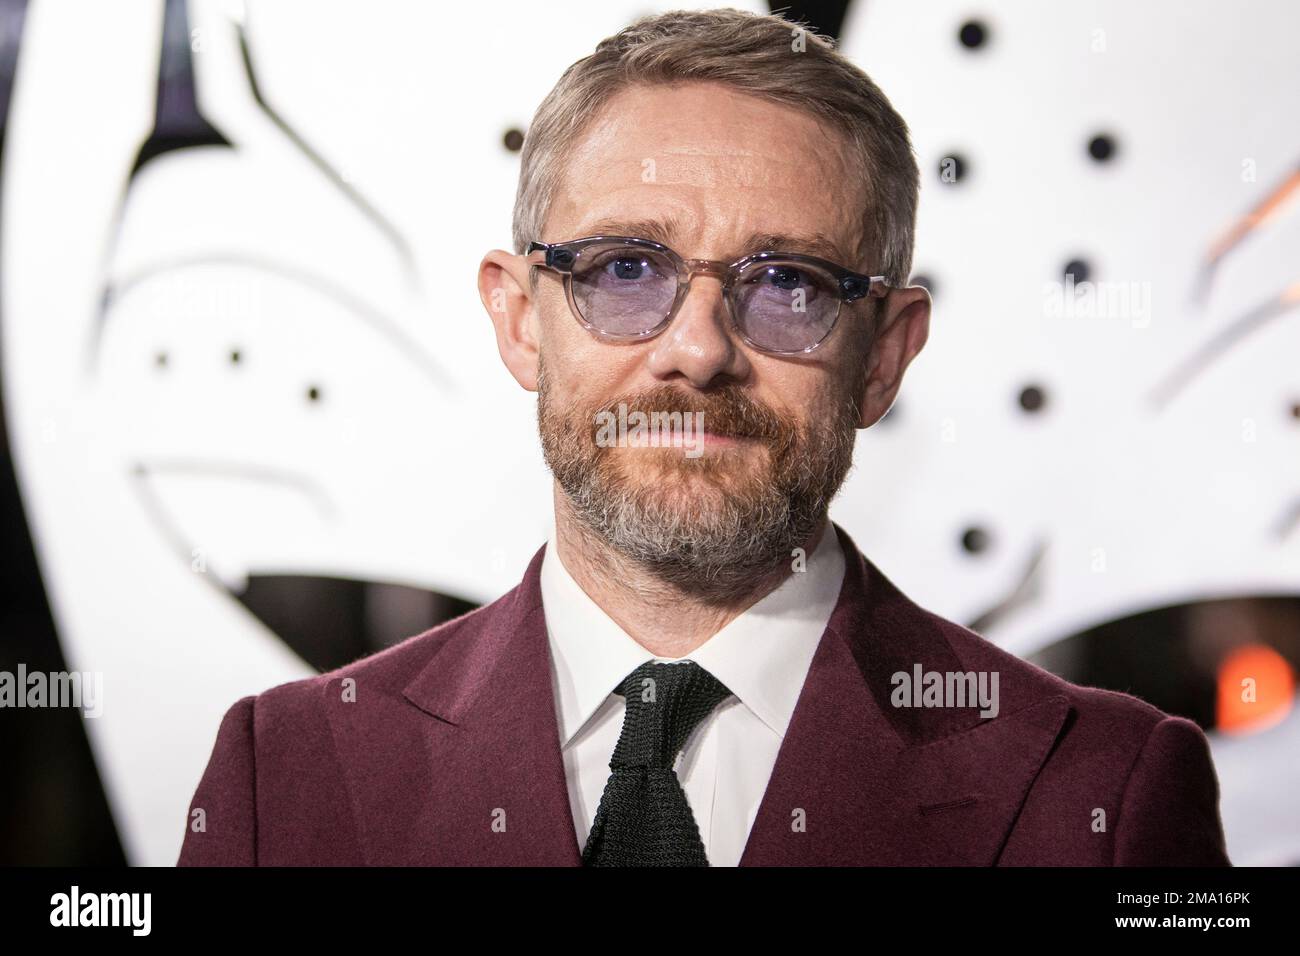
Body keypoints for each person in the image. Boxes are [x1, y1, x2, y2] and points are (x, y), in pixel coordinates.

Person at [178, 8, 1230, 866]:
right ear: (516, 319)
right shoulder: (287, 775)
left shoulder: (1101, 793)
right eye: (624, 268)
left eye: (788, 282)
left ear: (884, 355)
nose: (696, 348)